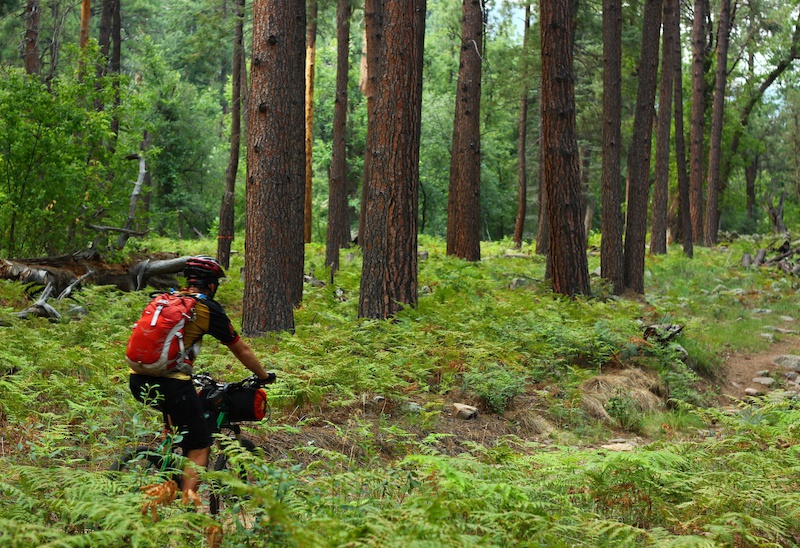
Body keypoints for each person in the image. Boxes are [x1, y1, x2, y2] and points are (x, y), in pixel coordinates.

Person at [128, 255, 274, 502]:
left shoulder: (165, 299)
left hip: (137, 379)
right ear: (212, 285)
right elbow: (239, 348)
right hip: (172, 383)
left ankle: (168, 476)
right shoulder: (206, 307)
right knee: (199, 445)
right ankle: (189, 510)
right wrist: (264, 375)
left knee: (176, 427)